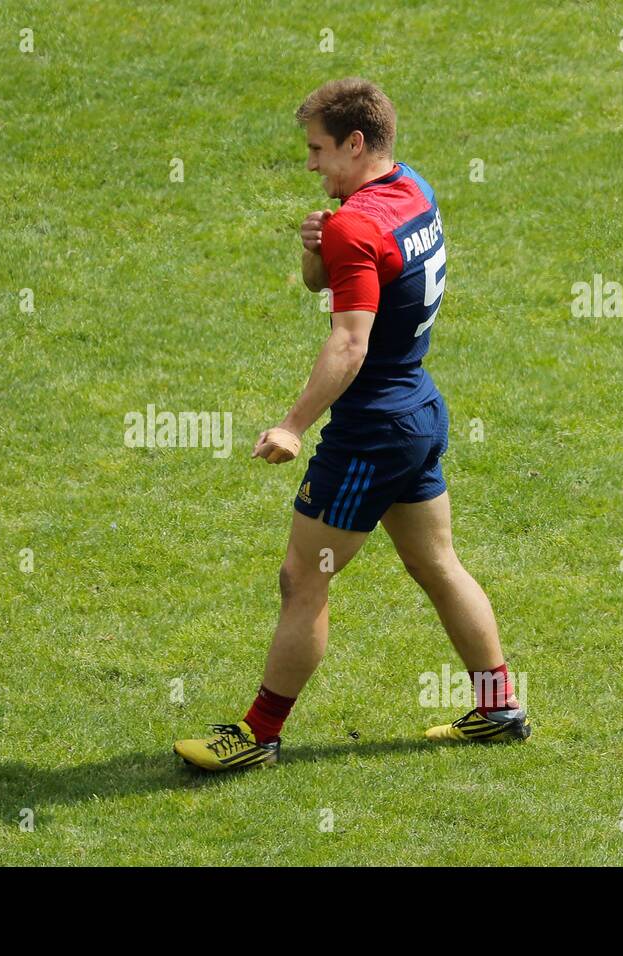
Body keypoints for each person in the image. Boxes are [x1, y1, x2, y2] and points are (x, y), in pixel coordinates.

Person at [174, 78, 530, 772]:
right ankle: (499, 707)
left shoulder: (355, 226)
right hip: (418, 411)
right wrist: (317, 249)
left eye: (318, 150)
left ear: (356, 142)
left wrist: (292, 424)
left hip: (370, 432)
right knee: (436, 564)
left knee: (303, 579)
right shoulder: (413, 190)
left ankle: (259, 734)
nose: (311, 165)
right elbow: (332, 279)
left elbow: (349, 343)